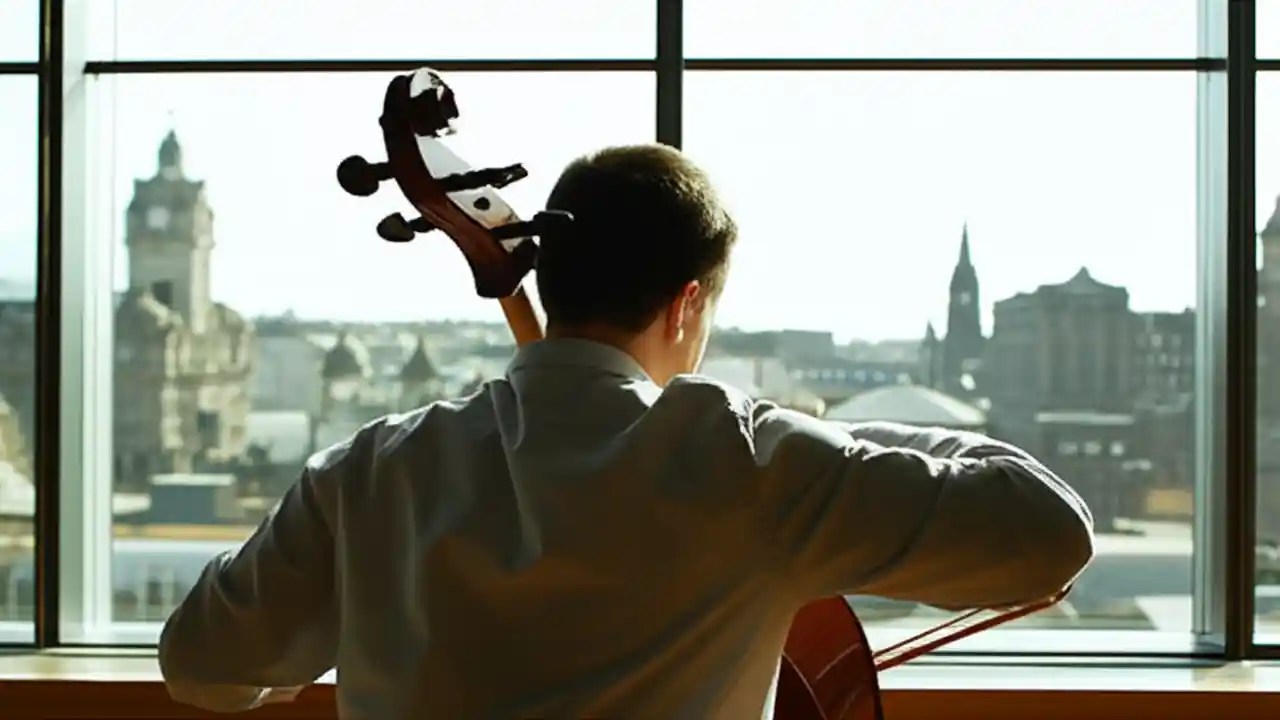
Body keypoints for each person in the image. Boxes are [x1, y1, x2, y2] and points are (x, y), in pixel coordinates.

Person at [158, 143, 1094, 719]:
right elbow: (1050, 533)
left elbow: (201, 663)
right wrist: (824, 434)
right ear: (688, 303)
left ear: (550, 274)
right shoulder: (748, 460)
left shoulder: (369, 466)